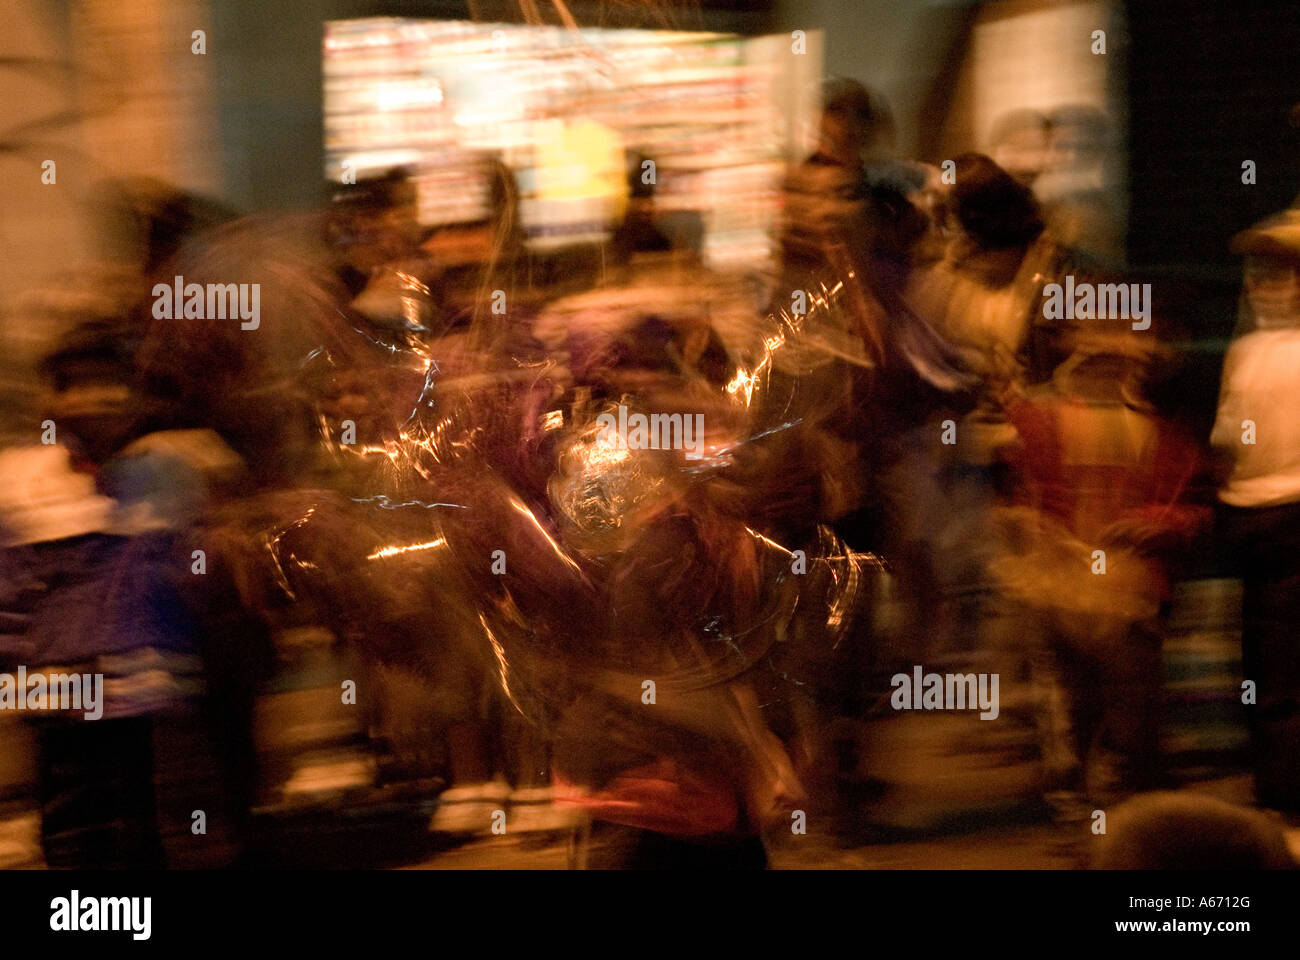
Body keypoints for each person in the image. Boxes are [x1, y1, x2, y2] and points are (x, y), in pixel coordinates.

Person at [1210, 208, 1300, 810]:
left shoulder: (1254, 350)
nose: (1266, 281)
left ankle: (1284, 791)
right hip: (1261, 520)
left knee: (1275, 666)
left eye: (1283, 268)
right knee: (1271, 663)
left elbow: (1228, 444)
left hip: (1275, 514)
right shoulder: (1249, 348)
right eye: (1262, 269)